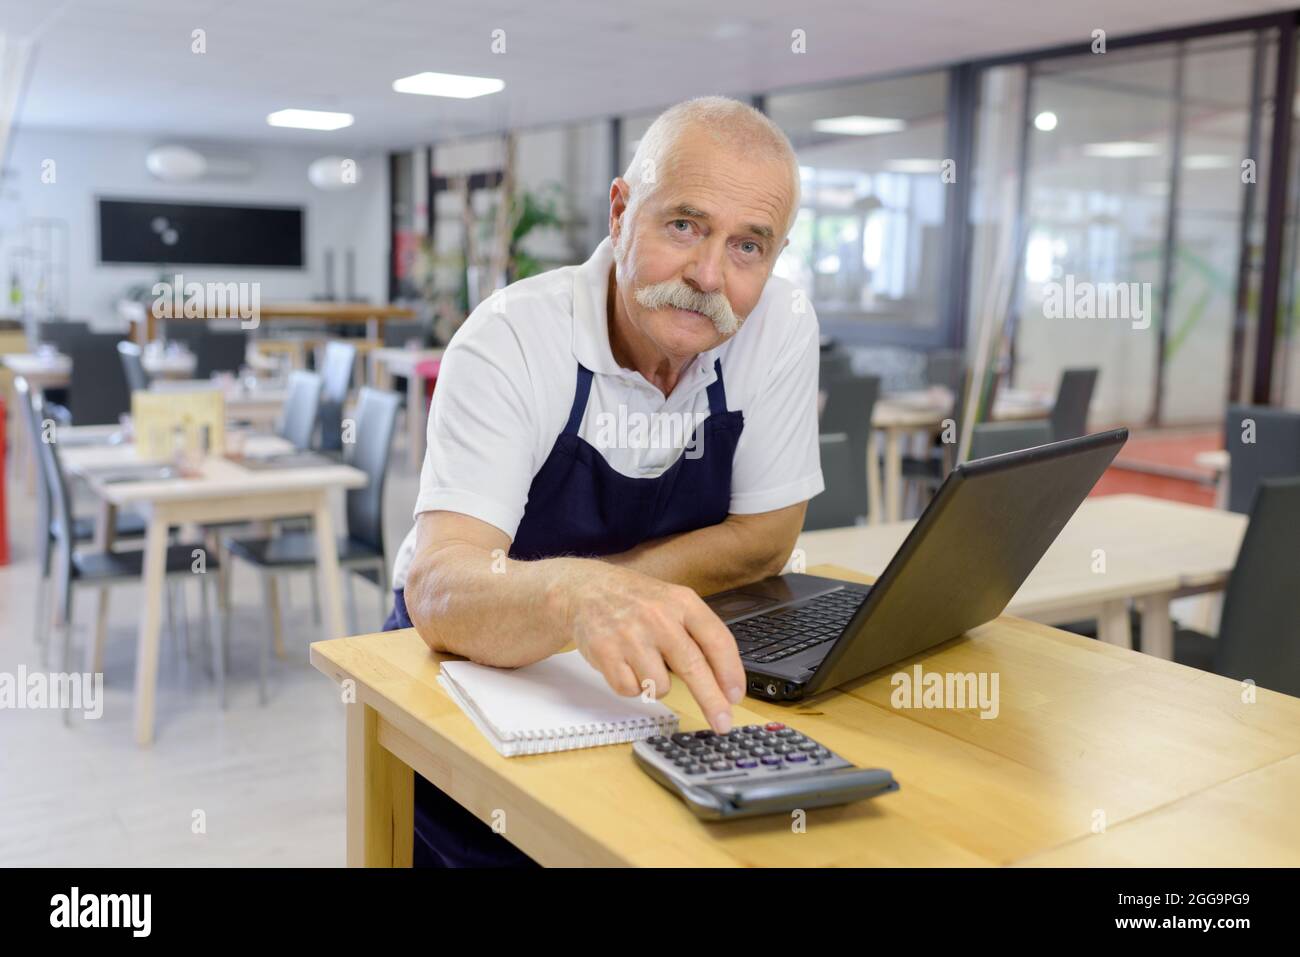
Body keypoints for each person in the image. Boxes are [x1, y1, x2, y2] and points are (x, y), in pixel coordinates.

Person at [384, 95, 824, 865]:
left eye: (748, 246)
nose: (707, 275)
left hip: (641, 669)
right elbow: (442, 583)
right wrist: (579, 600)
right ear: (621, 211)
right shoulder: (511, 339)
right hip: (467, 660)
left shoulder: (780, 325)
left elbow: (767, 539)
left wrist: (621, 600)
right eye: (683, 225)